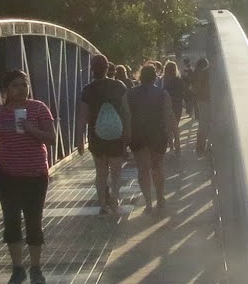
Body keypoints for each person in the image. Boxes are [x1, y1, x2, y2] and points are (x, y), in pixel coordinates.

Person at [0, 68, 56, 284]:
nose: (21, 89)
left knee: (33, 220)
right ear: (7, 88)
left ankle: (35, 267)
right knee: (11, 220)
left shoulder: (38, 108)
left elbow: (51, 138)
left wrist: (31, 129)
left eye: (24, 85)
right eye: (16, 85)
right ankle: (17, 268)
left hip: (35, 174)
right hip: (8, 175)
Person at [78, 54, 131, 221]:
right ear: (108, 68)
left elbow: (83, 116)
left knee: (100, 172)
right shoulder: (119, 86)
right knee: (116, 171)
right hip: (117, 134)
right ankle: (114, 198)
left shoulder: (87, 90)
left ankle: (102, 205)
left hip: (97, 135)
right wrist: (128, 134)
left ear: (92, 70)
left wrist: (80, 139)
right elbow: (126, 112)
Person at [127, 62, 172, 212]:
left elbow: (127, 117)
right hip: (157, 134)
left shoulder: (130, 94)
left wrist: (126, 136)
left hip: (138, 134)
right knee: (157, 168)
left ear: (140, 77)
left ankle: (147, 203)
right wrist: (171, 135)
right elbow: (167, 116)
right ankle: (159, 197)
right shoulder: (163, 94)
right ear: (155, 77)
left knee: (143, 169)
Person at [188, 55, 213, 155]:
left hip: (201, 100)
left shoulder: (198, 73)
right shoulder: (206, 72)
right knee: (206, 124)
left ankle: (200, 146)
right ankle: (202, 147)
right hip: (206, 100)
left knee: (203, 123)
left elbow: (194, 88)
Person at [162, 58, 186, 156]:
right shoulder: (178, 80)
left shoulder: (164, 80)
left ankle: (171, 146)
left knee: (168, 128)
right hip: (177, 105)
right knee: (176, 126)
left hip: (167, 105)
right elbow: (182, 93)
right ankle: (178, 147)